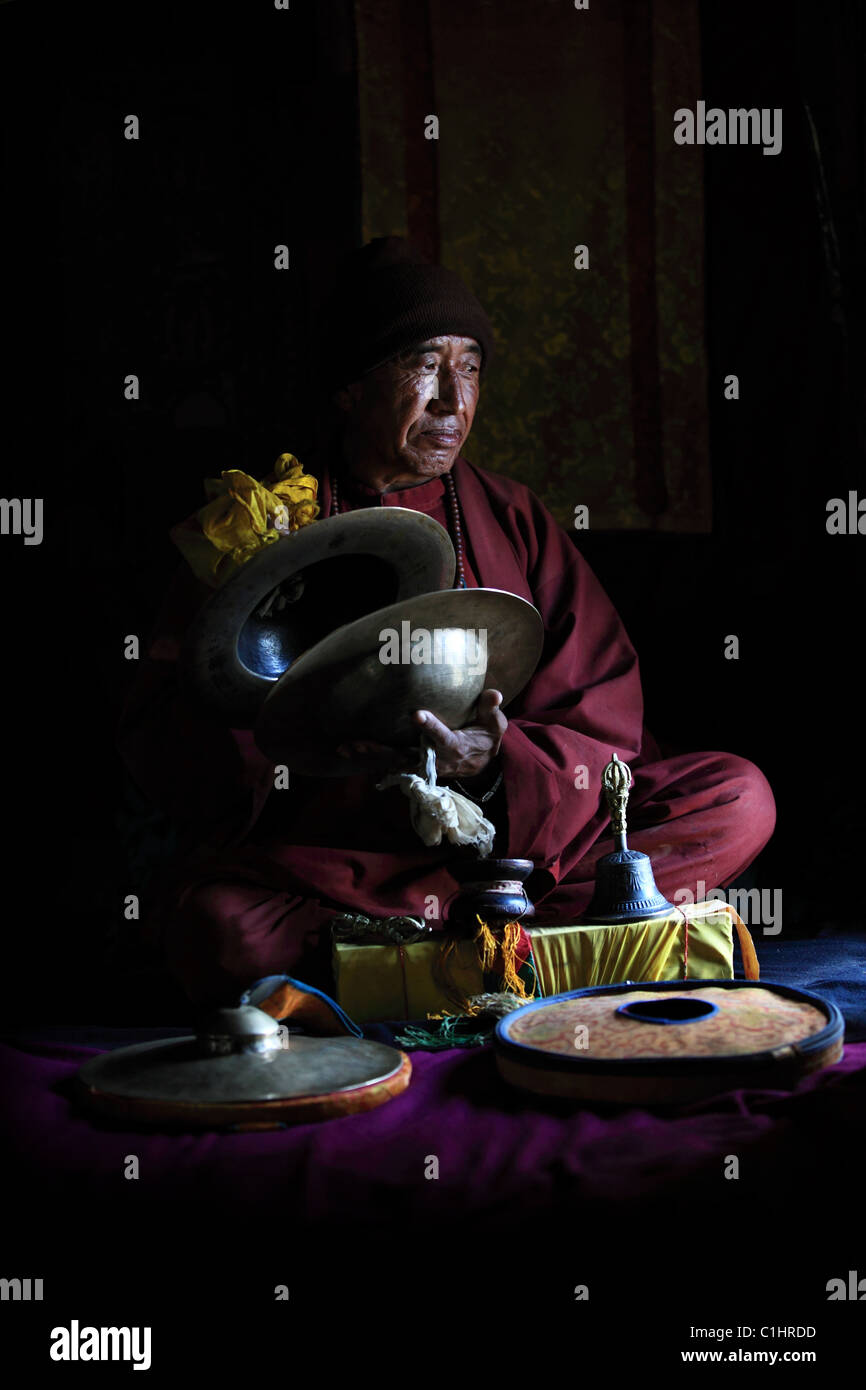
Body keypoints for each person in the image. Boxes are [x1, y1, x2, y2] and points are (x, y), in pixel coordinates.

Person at [118, 238, 775, 1008]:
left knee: (736, 796)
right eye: (422, 364)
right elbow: (170, 729)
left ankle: (427, 972)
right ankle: (541, 961)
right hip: (354, 862)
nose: (451, 401)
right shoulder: (263, 524)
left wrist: (496, 765)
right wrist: (303, 742)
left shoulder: (509, 514)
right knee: (221, 929)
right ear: (350, 389)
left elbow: (604, 713)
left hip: (531, 850)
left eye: (469, 368)